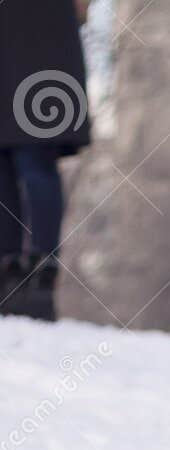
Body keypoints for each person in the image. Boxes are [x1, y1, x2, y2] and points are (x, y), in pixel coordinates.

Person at [0, 0, 92, 322]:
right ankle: (13, 273)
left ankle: (38, 274)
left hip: (41, 36)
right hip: (36, 32)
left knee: (32, 158)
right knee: (11, 161)